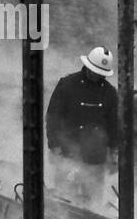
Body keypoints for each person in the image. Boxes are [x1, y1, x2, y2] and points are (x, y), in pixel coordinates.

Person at [46, 45, 119, 207]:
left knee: (93, 202)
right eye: (94, 70)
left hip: (95, 160)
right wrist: (54, 145)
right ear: (87, 66)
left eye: (101, 73)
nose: (96, 75)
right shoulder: (67, 85)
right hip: (69, 156)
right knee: (65, 199)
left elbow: (114, 125)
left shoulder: (110, 93)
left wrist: (114, 151)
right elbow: (53, 117)